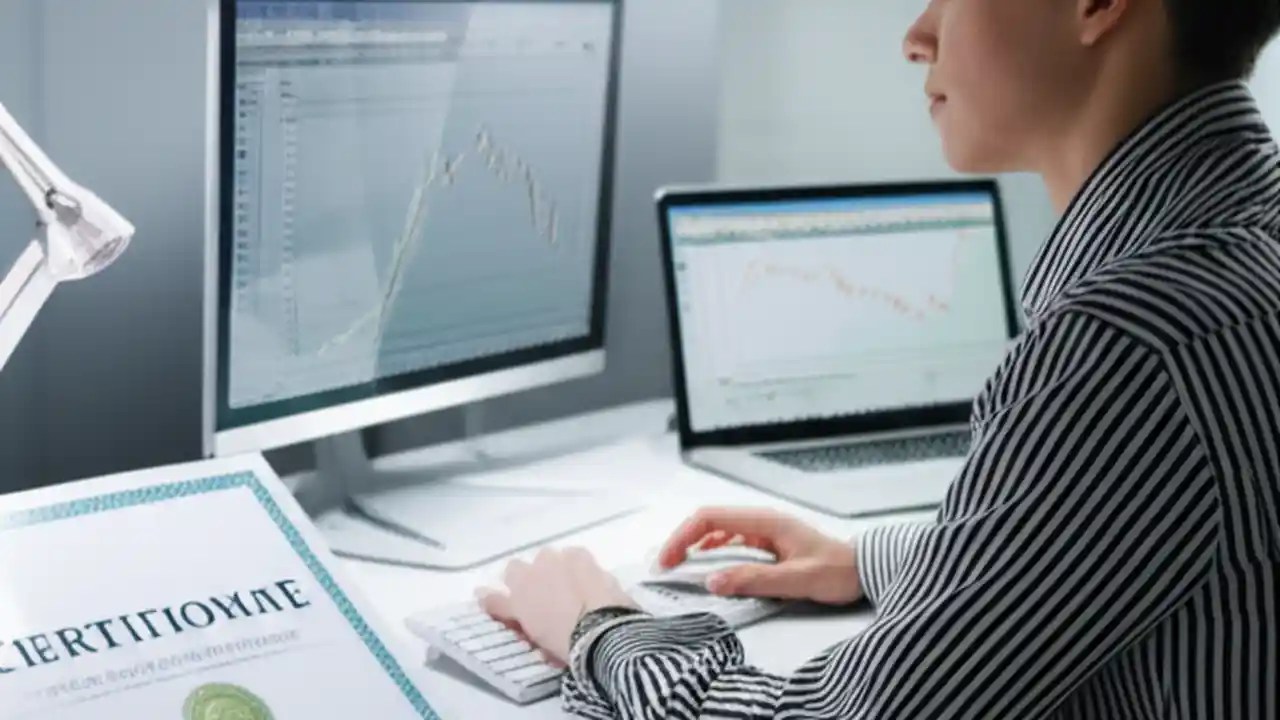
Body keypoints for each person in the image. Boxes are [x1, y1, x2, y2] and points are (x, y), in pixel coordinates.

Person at [477, 0, 1280, 716]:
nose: (916, 36)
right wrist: (866, 557)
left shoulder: (1127, 348)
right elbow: (1112, 544)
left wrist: (599, 628)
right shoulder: (1239, 254)